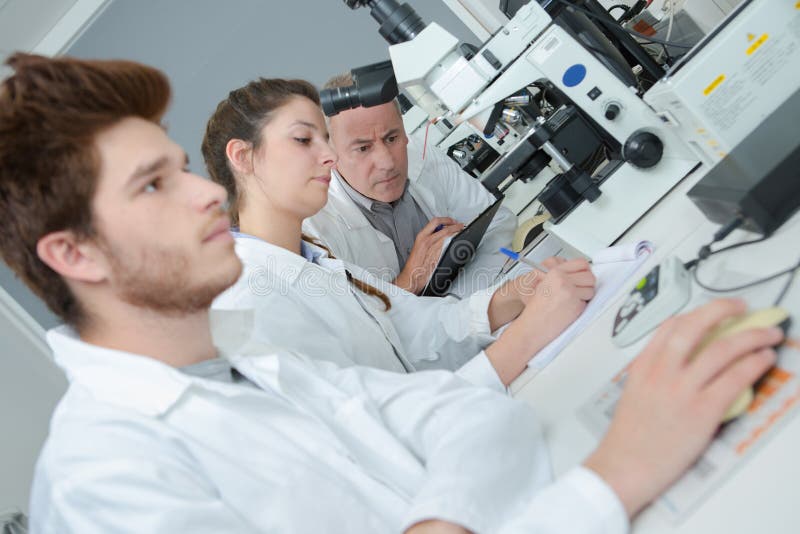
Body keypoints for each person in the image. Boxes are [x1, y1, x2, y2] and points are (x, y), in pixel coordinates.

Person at [1, 53, 783, 534]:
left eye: (179, 168)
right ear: (74, 253)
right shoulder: (105, 482)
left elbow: (466, 419)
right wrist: (617, 474)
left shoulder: (247, 369)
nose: (204, 196)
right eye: (153, 185)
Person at [201, 77, 595, 388]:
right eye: (304, 139)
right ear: (243, 157)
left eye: (324, 138)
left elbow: (422, 331)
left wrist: (520, 292)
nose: (328, 155)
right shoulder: (249, 300)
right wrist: (527, 334)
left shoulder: (316, 258)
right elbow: (379, 424)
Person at [302, 72, 518, 297]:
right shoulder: (318, 225)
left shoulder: (421, 155)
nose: (387, 162)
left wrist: (466, 301)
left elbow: (497, 224)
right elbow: (357, 325)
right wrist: (408, 280)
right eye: (363, 148)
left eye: (391, 138)